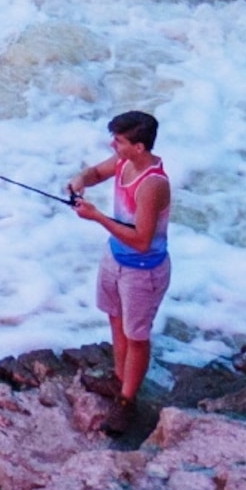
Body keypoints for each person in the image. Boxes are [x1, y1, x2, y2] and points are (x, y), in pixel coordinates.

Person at [70, 110, 170, 432]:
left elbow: (142, 241)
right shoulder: (125, 162)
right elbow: (96, 173)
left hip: (143, 271)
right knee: (115, 319)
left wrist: (96, 216)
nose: (113, 144)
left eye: (120, 140)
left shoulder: (152, 185)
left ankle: (127, 402)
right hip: (115, 259)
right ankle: (119, 379)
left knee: (136, 337)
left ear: (139, 147)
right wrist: (80, 181)